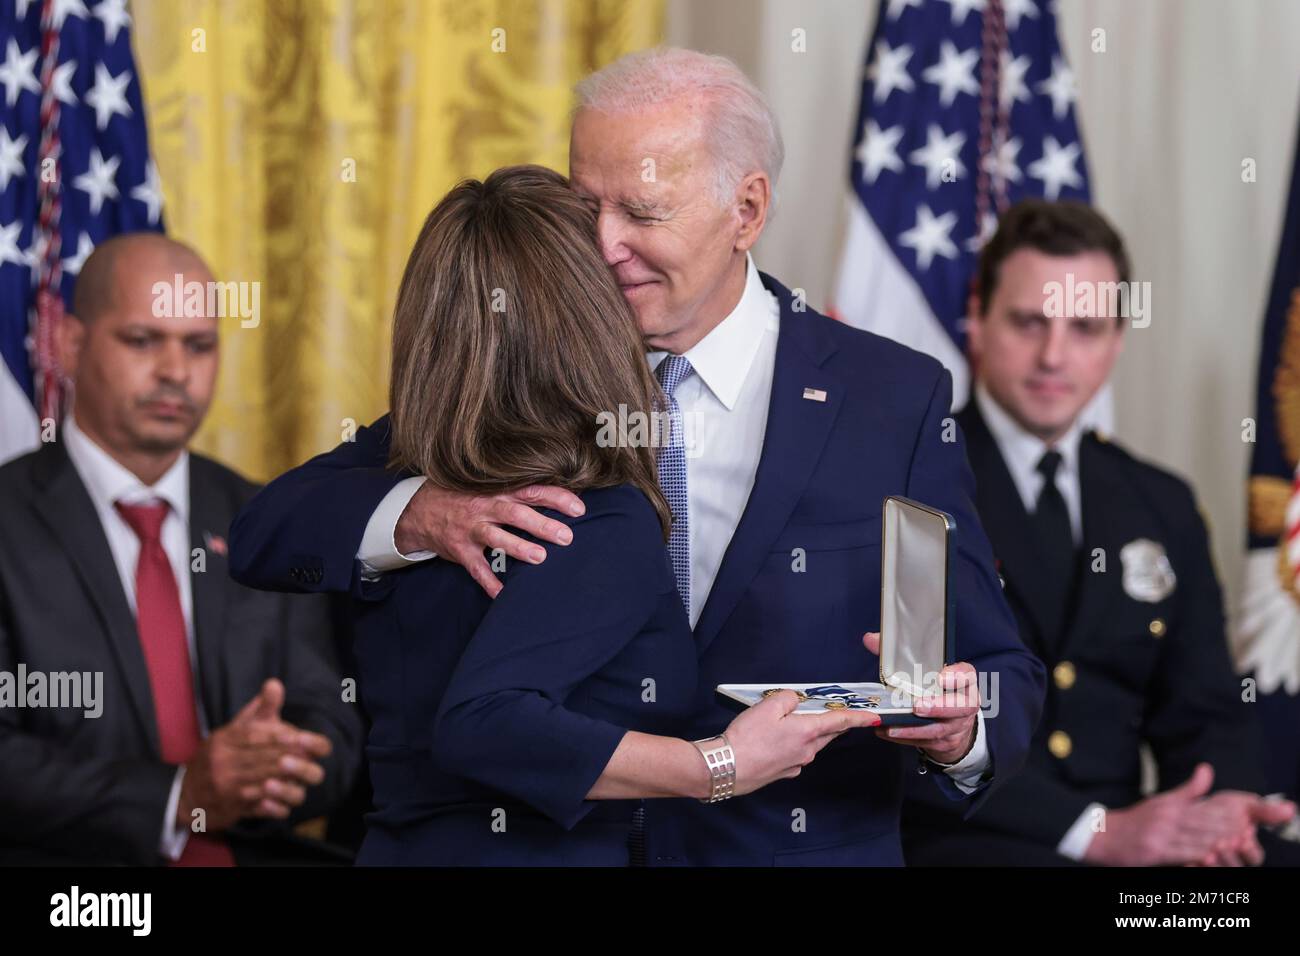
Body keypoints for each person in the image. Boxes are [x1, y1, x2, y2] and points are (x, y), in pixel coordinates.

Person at [231, 48, 1045, 866]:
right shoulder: (521, 371)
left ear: (747, 210)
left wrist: (962, 730)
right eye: (587, 207)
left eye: (643, 211)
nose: (606, 244)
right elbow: (271, 531)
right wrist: (421, 513)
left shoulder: (892, 400)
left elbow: (998, 663)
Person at [903, 199, 1298, 866]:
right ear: (978, 317)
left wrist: (1219, 810)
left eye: (1085, 328)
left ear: (1117, 338)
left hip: (1138, 838)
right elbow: (907, 722)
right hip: (979, 836)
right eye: (1030, 322)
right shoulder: (914, 482)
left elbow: (1204, 709)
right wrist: (1097, 832)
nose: (1055, 355)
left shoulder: (1159, 502)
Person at [0, 234, 363, 865]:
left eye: (199, 346)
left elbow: (331, 719)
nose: (175, 371)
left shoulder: (268, 518)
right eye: (143, 341)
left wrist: (274, 765)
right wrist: (178, 797)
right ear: (71, 344)